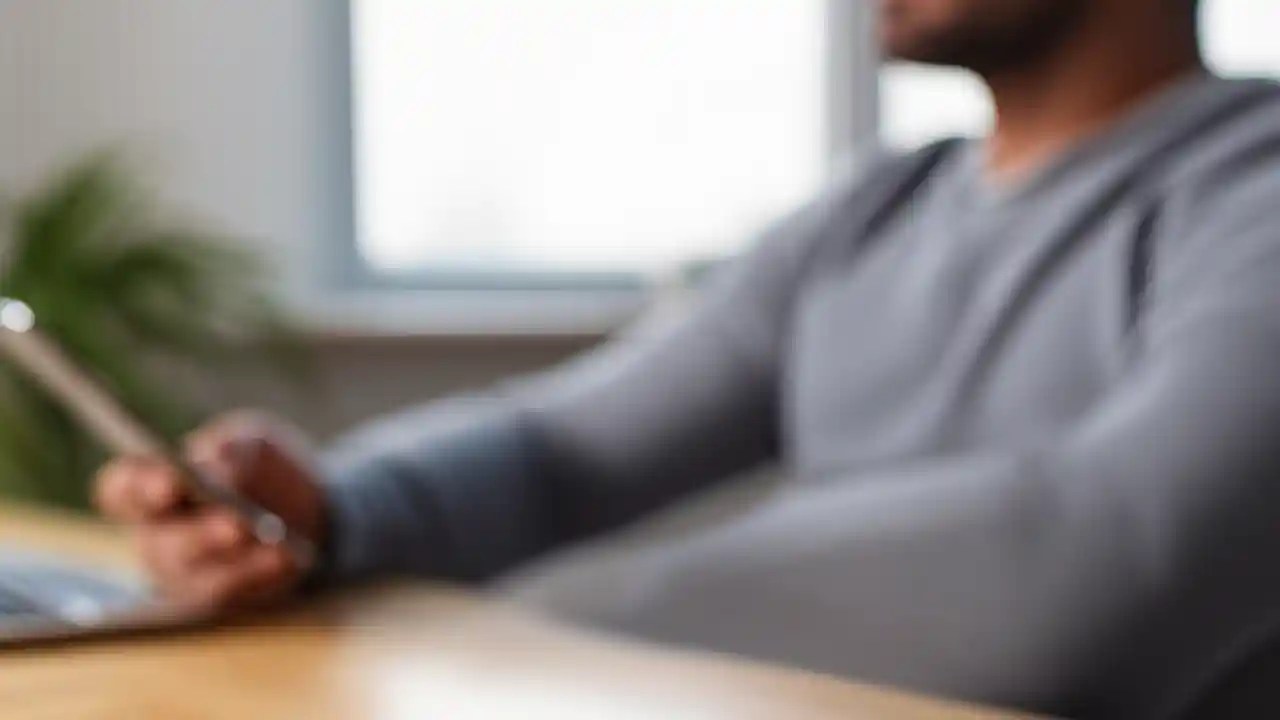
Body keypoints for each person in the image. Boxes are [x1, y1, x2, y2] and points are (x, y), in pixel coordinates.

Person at [97, 0, 1280, 716]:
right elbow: (562, 452)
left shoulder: (1251, 182)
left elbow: (1123, 549)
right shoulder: (875, 211)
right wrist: (329, 511)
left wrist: (529, 631)